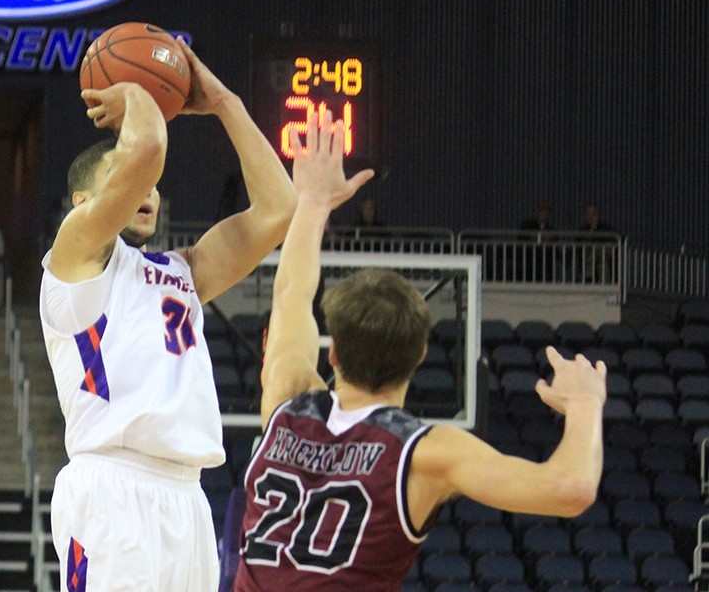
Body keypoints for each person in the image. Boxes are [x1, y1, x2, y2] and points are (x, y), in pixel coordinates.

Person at [233, 110, 607, 591]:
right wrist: (584, 404)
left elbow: (291, 295)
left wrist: (312, 202)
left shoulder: (286, 404)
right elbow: (571, 488)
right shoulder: (426, 453)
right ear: (420, 355)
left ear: (333, 355)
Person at [39, 37, 297, 592]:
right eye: (125, 178)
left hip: (187, 498)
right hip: (112, 489)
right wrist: (135, 89)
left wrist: (224, 101)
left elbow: (279, 208)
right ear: (85, 202)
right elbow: (149, 147)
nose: (147, 190)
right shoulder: (73, 257)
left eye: (154, 186)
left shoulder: (182, 271)